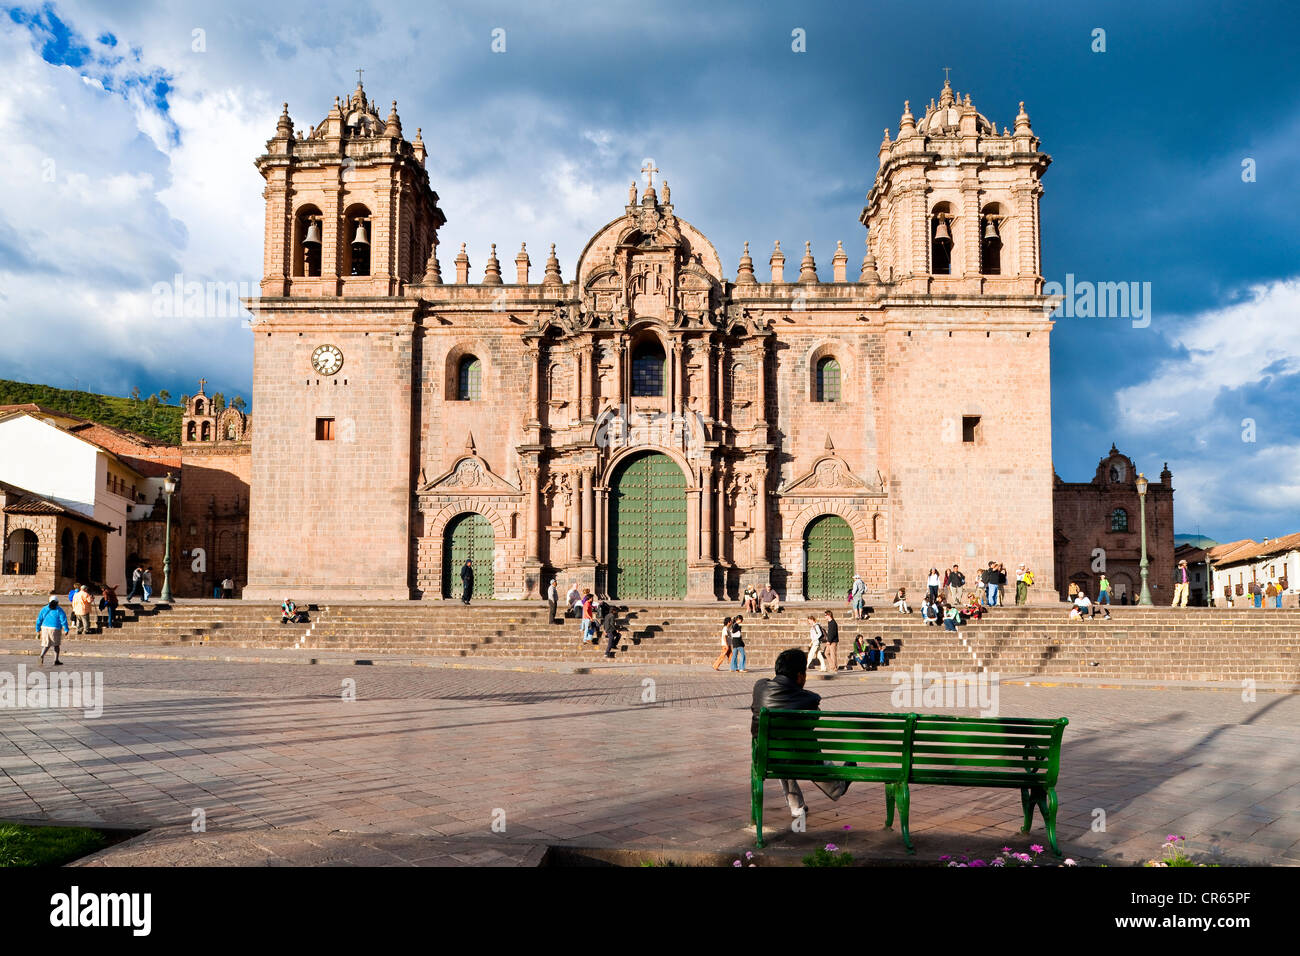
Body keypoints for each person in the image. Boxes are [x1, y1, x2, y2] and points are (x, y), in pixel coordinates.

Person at [750, 648, 852, 821]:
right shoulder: (809, 699)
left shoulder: (760, 687)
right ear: (799, 675)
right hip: (803, 758)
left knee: (781, 748)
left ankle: (797, 808)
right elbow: (813, 718)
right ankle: (836, 788)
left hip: (766, 758)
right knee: (802, 746)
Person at [37, 594, 69, 666]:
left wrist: (38, 628)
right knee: (56, 645)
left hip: (45, 628)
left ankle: (41, 655)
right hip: (55, 628)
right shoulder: (59, 610)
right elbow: (63, 620)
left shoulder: (44, 609)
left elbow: (39, 619)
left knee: (46, 644)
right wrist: (66, 629)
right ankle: (56, 660)